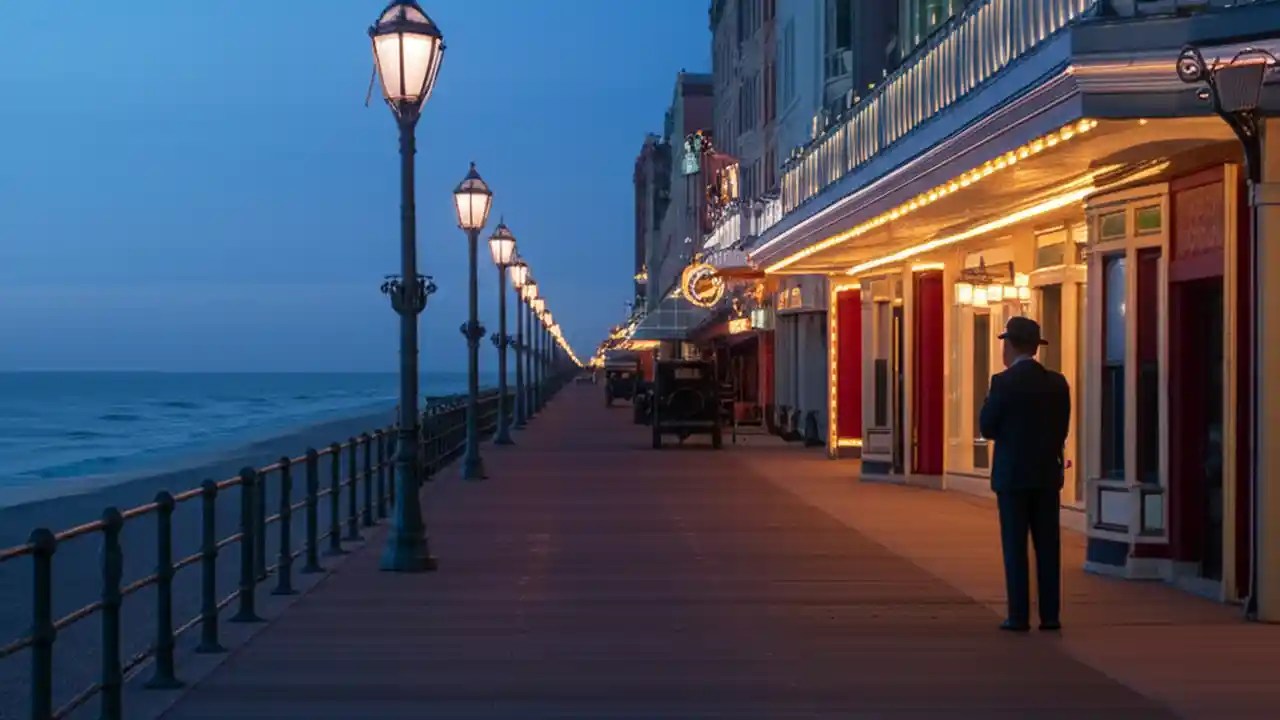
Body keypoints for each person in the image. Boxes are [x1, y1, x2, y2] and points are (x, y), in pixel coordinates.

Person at [979, 316, 1071, 632]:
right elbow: (1062, 429)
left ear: (1010, 346)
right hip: (1047, 474)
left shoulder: (1002, 383)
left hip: (1012, 477)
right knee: (1048, 546)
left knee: (1015, 546)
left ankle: (1018, 615)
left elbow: (987, 427)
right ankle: (1050, 615)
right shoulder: (1058, 383)